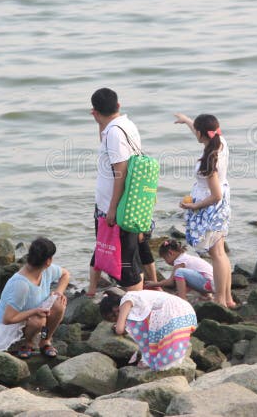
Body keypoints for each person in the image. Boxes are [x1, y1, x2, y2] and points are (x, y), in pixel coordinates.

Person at [88, 88, 156, 296]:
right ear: (118, 106)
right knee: (123, 256)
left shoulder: (115, 133)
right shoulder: (125, 125)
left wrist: (112, 209)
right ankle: (97, 293)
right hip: (125, 203)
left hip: (118, 207)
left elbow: (121, 172)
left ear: (95, 112)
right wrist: (100, 122)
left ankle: (136, 306)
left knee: (126, 265)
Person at [174, 113, 235, 308]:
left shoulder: (208, 161)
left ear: (202, 134)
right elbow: (201, 133)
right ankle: (228, 298)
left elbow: (214, 194)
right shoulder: (221, 143)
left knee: (216, 254)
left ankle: (219, 298)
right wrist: (187, 121)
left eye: (196, 131)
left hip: (210, 206)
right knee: (220, 252)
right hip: (223, 202)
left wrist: (194, 206)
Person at [0, 237, 69, 358]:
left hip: (37, 313)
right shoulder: (21, 284)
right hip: (13, 322)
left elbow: (65, 274)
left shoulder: (47, 270)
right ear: (48, 261)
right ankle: (28, 343)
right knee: (39, 321)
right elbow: (7, 319)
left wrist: (59, 292)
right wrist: (34, 311)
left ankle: (45, 340)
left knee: (59, 305)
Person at [99, 289, 197, 371]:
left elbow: (119, 330)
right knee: (139, 322)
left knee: (133, 323)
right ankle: (155, 355)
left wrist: (118, 326)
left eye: (112, 318)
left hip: (173, 312)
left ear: (115, 309)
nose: (115, 321)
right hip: (185, 311)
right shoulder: (135, 299)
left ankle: (149, 359)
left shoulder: (126, 301)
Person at [145, 239, 214, 301]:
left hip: (208, 284)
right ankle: (206, 296)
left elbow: (171, 282)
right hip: (214, 284)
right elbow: (190, 281)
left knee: (179, 272)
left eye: (165, 258)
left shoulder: (179, 261)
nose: (166, 262)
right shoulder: (186, 257)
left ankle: (182, 299)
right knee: (185, 276)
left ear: (170, 253)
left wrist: (155, 284)